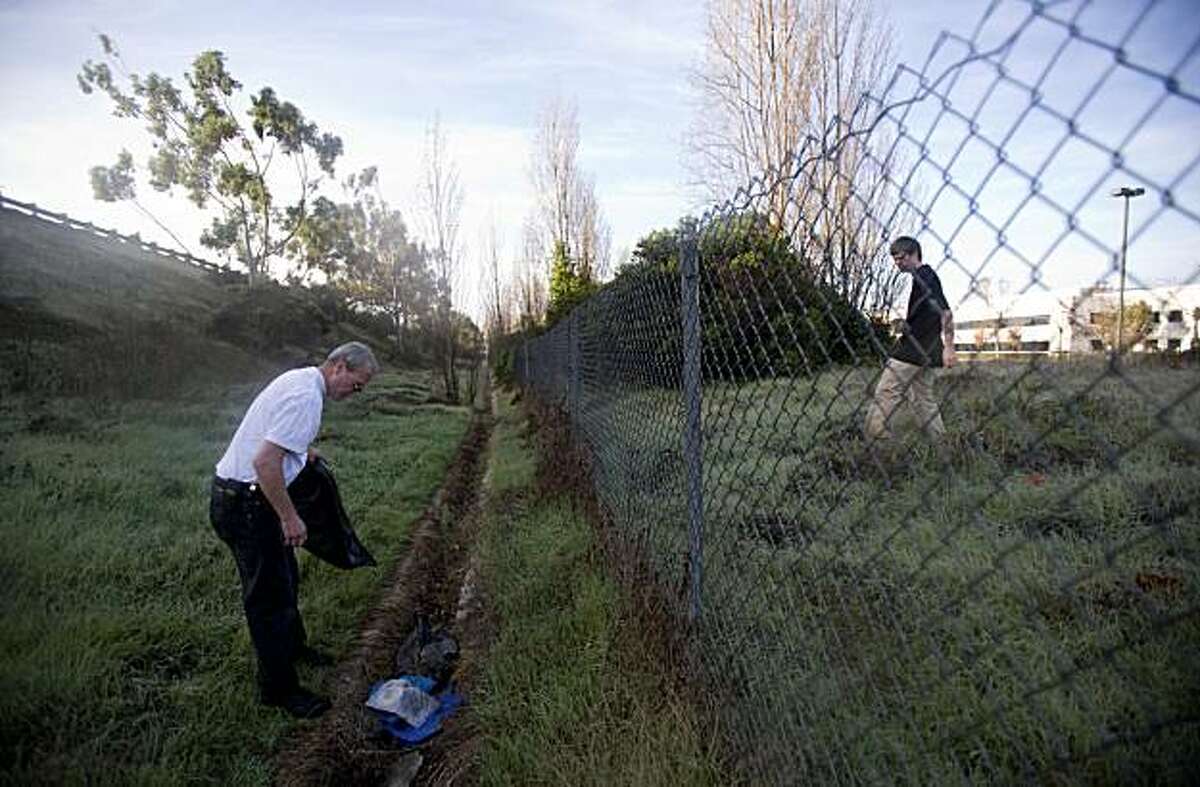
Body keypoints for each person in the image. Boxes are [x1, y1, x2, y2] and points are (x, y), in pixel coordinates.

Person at [210, 342, 379, 718]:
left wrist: (304, 453)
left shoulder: (301, 379)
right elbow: (265, 463)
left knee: (285, 577)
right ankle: (279, 690)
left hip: (246, 498)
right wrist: (290, 517)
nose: (355, 394)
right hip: (246, 504)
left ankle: (293, 648)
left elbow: (274, 440)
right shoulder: (306, 397)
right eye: (357, 384)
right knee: (268, 598)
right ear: (338, 366)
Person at [864, 236, 957, 443]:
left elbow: (947, 313)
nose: (897, 263)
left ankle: (877, 441)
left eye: (901, 258)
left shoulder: (925, 277)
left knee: (886, 391)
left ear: (915, 254)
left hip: (913, 350)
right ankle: (941, 443)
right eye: (895, 259)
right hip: (927, 350)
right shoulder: (922, 277)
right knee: (923, 397)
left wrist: (950, 348)